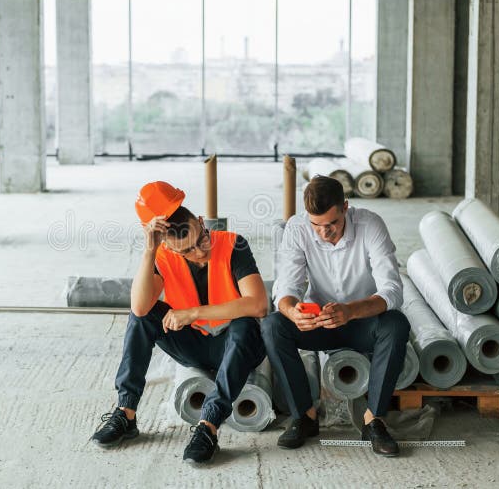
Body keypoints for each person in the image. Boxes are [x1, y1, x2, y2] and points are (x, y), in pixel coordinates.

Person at [90, 181, 268, 465]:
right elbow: (138, 307)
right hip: (194, 345)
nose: (199, 252)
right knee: (144, 315)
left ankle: (208, 426)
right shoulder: (164, 255)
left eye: (200, 241)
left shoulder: (233, 244)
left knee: (244, 324)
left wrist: (193, 313)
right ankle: (126, 412)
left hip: (238, 346)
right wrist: (149, 252)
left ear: (199, 221)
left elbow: (259, 304)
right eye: (186, 251)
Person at [262, 175, 409, 456]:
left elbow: (392, 290)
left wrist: (351, 310)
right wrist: (293, 311)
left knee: (396, 324)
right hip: (319, 323)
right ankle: (304, 416)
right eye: (316, 225)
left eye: (332, 224)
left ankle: (373, 420)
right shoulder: (297, 228)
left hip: (362, 320)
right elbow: (285, 288)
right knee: (272, 326)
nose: (324, 233)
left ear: (345, 207)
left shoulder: (371, 224)